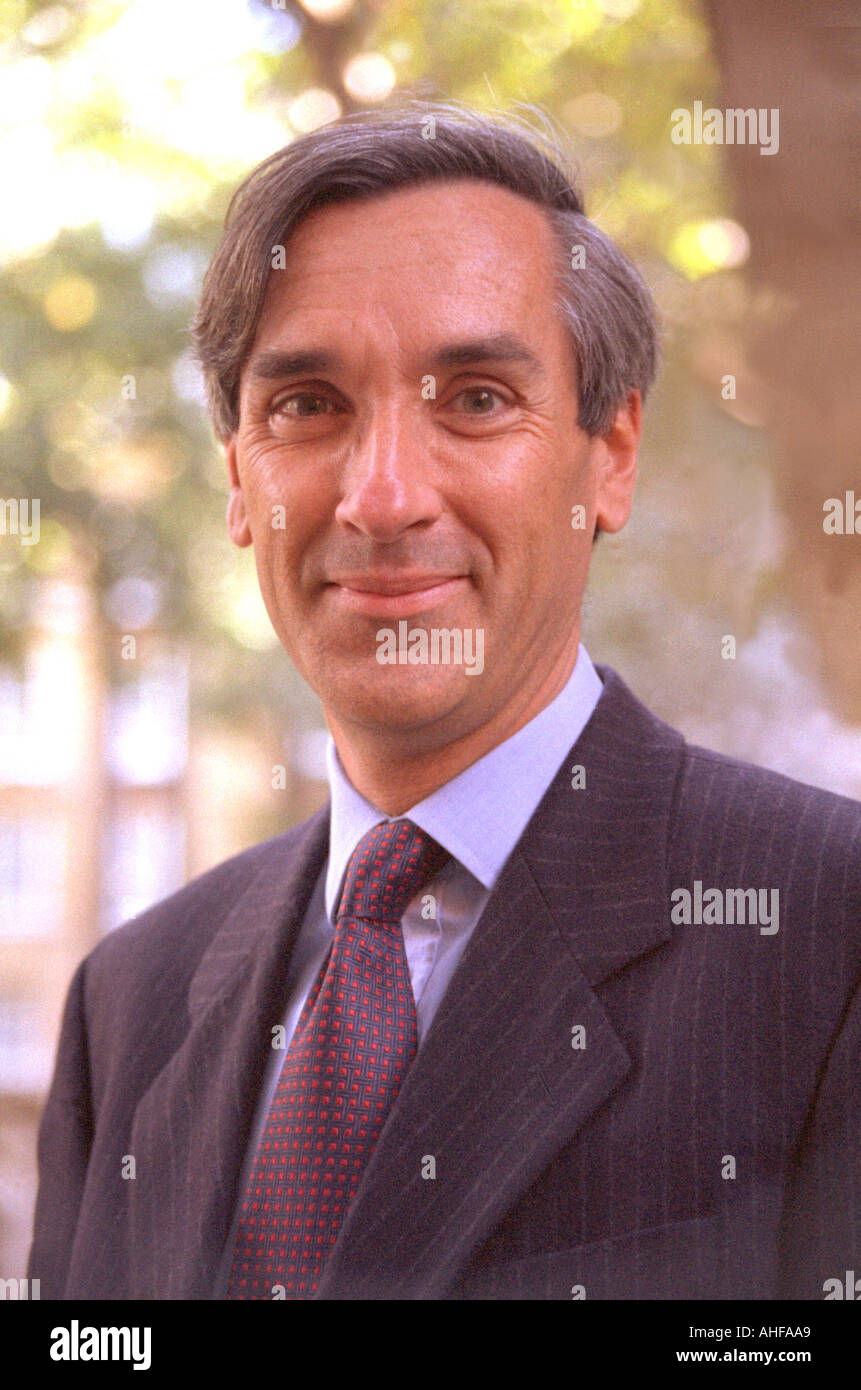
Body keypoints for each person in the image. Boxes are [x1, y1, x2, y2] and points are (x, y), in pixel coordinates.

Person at [29, 103, 860, 1301]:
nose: (382, 495)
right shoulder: (132, 1003)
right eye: (307, 405)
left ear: (610, 455)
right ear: (237, 478)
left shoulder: (827, 941)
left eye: (475, 398)